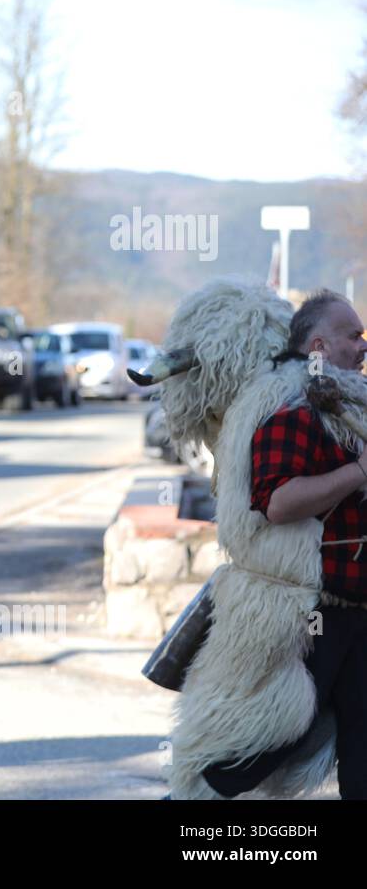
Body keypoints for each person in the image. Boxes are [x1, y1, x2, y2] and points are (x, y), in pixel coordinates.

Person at [201, 290, 367, 798]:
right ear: (319, 345)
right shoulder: (291, 410)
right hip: (313, 615)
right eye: (352, 336)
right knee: (259, 746)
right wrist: (359, 472)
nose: (363, 346)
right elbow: (277, 500)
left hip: (357, 610)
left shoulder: (346, 408)